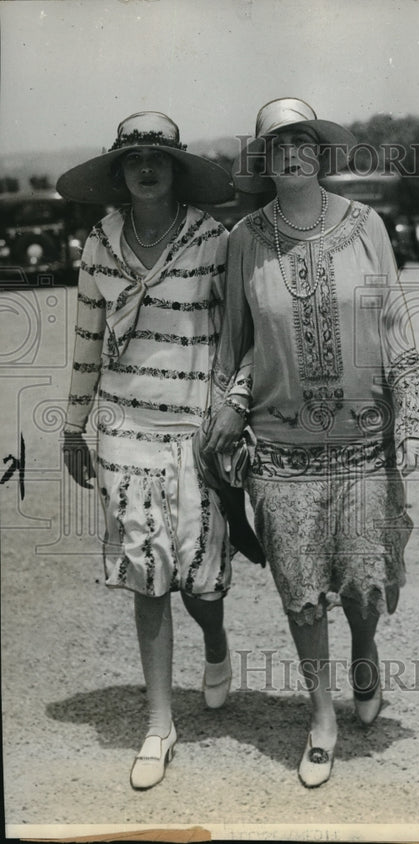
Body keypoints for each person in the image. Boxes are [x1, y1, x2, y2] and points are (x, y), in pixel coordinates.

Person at [205, 98, 419, 788]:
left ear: (321, 154)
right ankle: (321, 715)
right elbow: (235, 340)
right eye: (277, 145)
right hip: (279, 448)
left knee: (363, 587)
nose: (291, 154)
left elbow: (396, 318)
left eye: (303, 142)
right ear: (262, 159)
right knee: (300, 589)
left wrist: (413, 415)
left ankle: (366, 653)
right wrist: (226, 409)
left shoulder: (367, 225)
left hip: (363, 438)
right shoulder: (245, 239)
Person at [57, 111, 259, 790]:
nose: (146, 169)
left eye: (159, 159)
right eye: (133, 160)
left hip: (196, 431)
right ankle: (159, 725)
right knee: (148, 575)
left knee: (201, 577)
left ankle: (216, 639)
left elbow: (244, 333)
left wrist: (234, 407)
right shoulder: (97, 246)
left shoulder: (214, 240)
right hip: (122, 431)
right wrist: (72, 424)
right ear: (118, 174)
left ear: (177, 170)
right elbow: (87, 339)